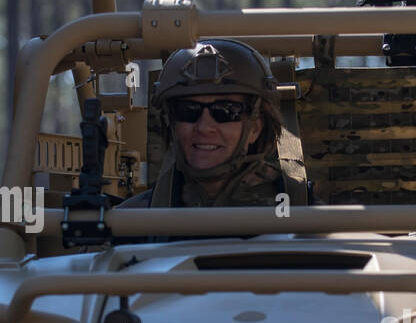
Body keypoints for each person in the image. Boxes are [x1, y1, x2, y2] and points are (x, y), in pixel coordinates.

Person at [121, 39, 307, 210]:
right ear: (172, 124)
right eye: (188, 110)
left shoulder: (304, 213)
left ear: (254, 129)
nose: (204, 127)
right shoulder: (132, 222)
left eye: (225, 111)